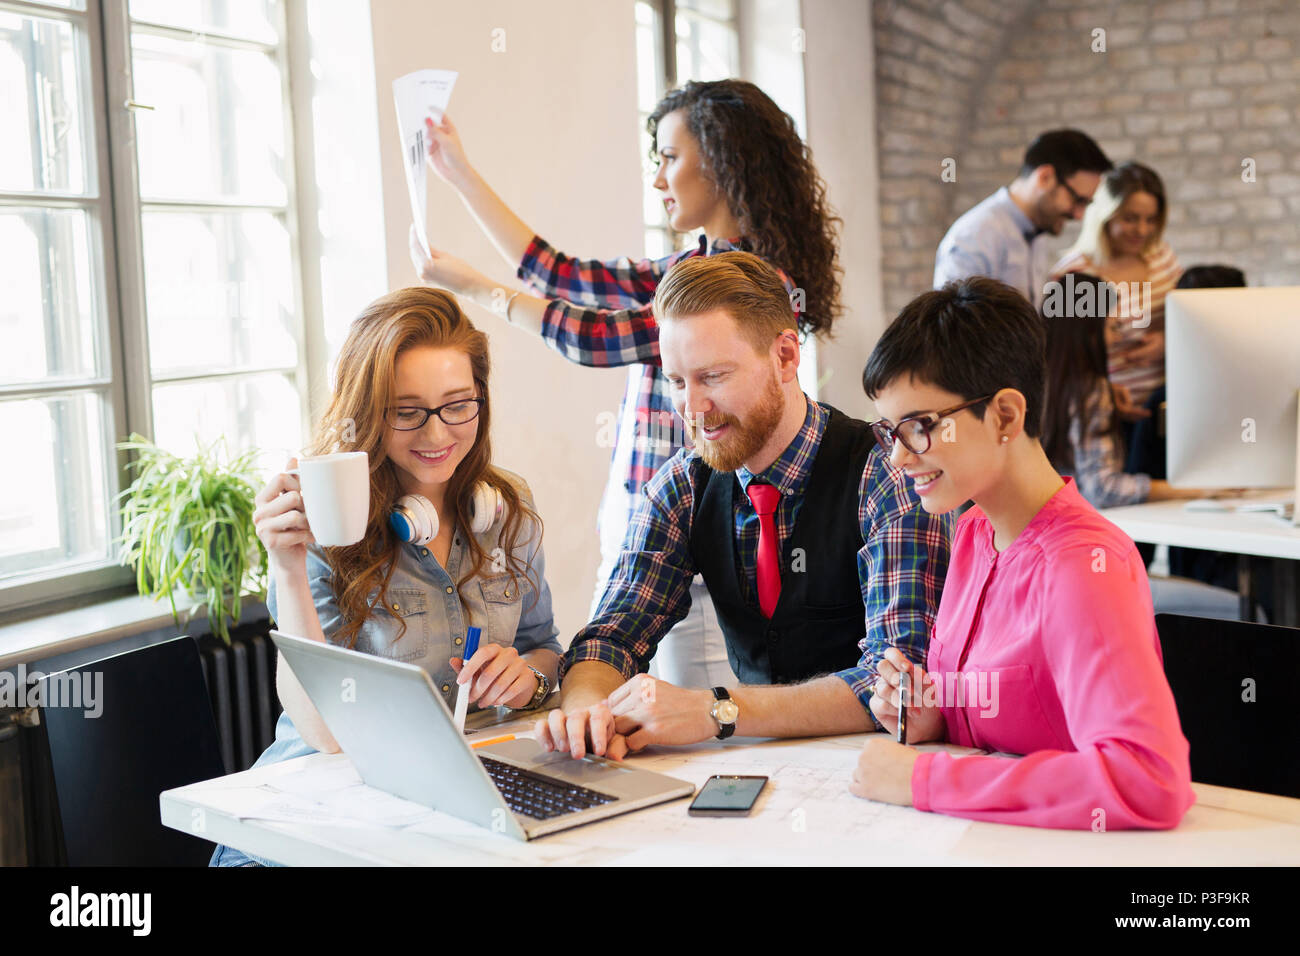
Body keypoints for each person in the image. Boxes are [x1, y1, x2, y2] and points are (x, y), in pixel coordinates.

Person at [409, 79, 842, 691]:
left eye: (670, 157)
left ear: (721, 160)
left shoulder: (740, 283)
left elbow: (595, 338)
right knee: (610, 696)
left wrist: (481, 291)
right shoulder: (688, 264)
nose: (660, 179)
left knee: (702, 728)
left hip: (694, 555)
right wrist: (459, 173)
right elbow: (559, 273)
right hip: (643, 532)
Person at [532, 252, 951, 761]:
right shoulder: (682, 487)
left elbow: (897, 677)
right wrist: (585, 713)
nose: (692, 408)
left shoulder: (883, 473)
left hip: (882, 765)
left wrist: (717, 710)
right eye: (678, 382)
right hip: (761, 768)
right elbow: (610, 637)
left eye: (712, 377)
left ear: (785, 357)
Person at [210, 287, 561, 865]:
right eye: (406, 411)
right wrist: (288, 565)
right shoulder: (324, 519)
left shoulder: (505, 509)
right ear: (368, 412)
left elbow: (544, 649)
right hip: (308, 824)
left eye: (457, 404)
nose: (436, 433)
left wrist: (529, 680)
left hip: (443, 803)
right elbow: (324, 733)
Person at [851, 276, 1194, 830]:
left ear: (1006, 416)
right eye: (889, 431)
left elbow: (1146, 780)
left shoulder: (1084, 567)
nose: (898, 458)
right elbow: (1009, 714)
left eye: (919, 428)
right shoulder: (972, 534)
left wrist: (923, 779)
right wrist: (932, 713)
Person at [1041, 273, 1213, 508]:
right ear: (1089, 332)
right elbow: (1102, 490)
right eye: (1112, 327)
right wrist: (1196, 489)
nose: (1115, 338)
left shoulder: (1033, 380)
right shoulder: (1089, 392)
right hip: (1076, 528)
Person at [1051, 161, 1181, 415]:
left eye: (1151, 219)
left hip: (1168, 400)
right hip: (1106, 412)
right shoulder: (1076, 274)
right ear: (1105, 216)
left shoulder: (1160, 255)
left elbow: (1186, 315)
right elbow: (1064, 362)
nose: (1142, 230)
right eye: (1130, 219)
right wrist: (1105, 395)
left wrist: (1167, 340)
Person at [934, 128, 1112, 310]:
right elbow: (954, 329)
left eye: (1086, 204)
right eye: (1077, 200)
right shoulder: (977, 234)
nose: (1079, 215)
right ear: (1045, 177)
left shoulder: (1037, 228)